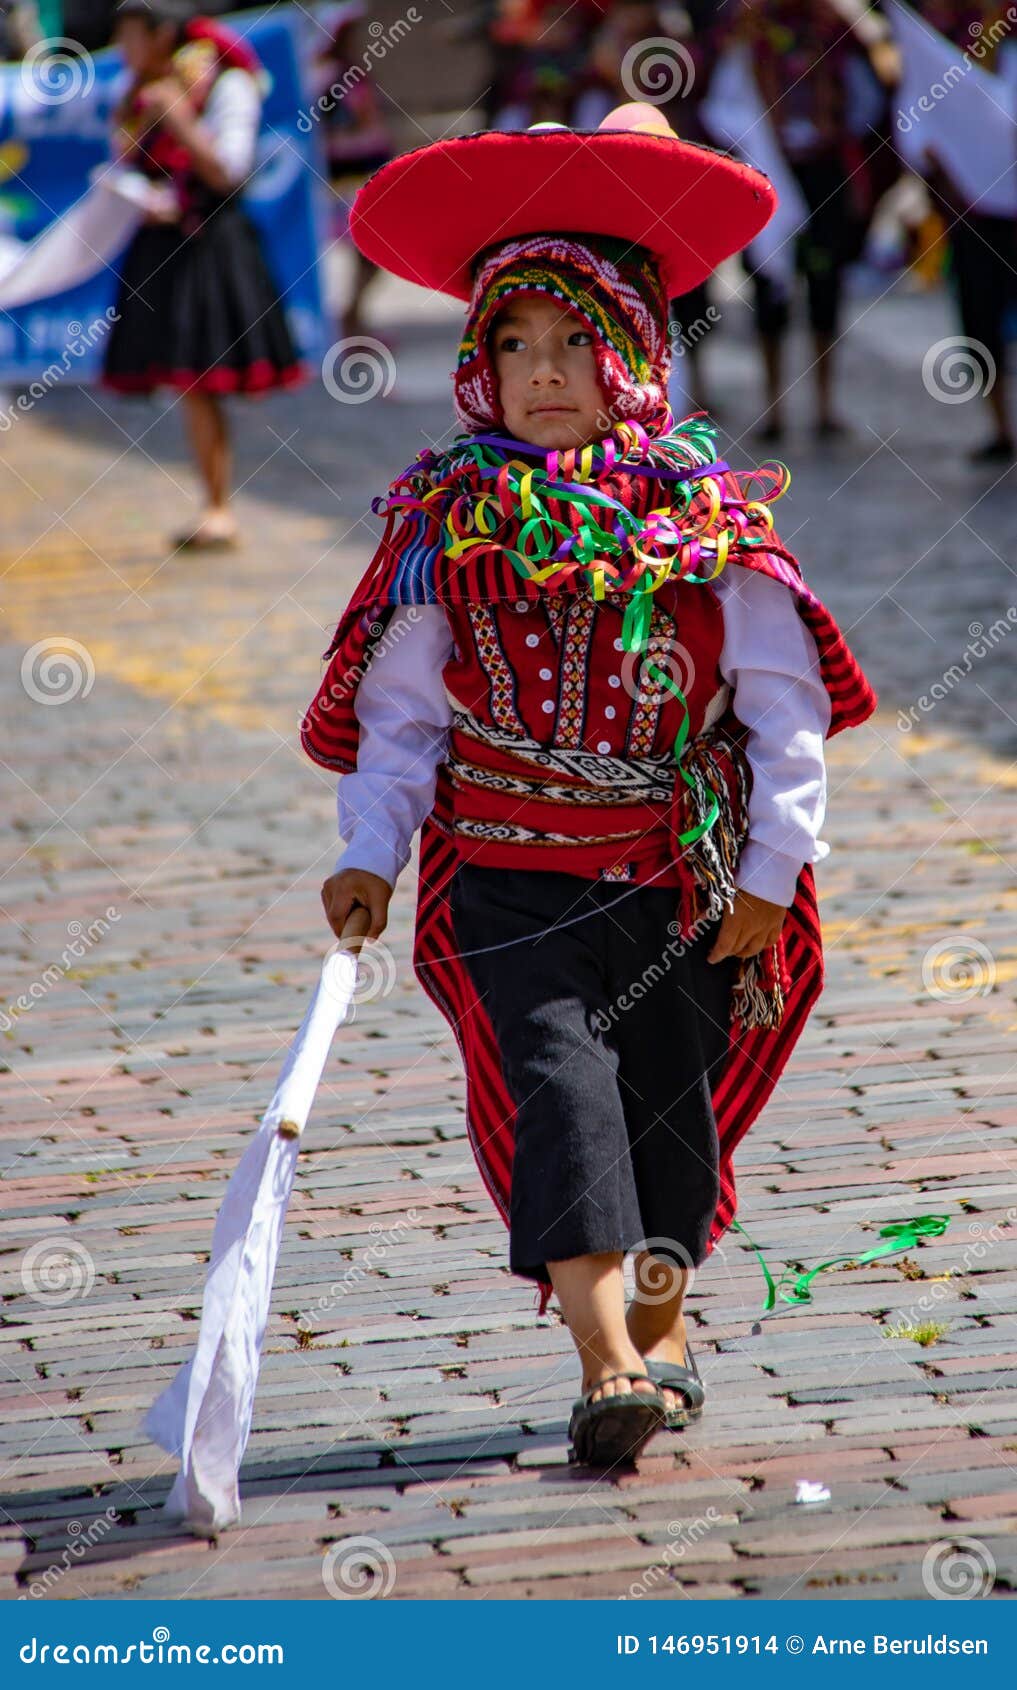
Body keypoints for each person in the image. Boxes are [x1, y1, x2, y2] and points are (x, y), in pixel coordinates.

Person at [299, 103, 878, 1467]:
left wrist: (771, 875)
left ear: (632, 358)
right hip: (509, 877)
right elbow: (400, 723)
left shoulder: (710, 527)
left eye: (574, 343)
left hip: (676, 876)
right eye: (512, 345)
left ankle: (664, 1328)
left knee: (672, 1106)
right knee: (557, 1086)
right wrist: (371, 852)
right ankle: (606, 1359)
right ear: (477, 367)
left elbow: (785, 720)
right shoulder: (446, 527)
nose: (540, 371)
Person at [102, 0, 306, 549]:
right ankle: (214, 502)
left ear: (162, 34)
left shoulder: (224, 82)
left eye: (132, 39)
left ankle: (220, 506)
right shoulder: (140, 90)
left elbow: (228, 172)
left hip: (210, 245)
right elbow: (127, 161)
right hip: (162, 244)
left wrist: (179, 117)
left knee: (201, 377)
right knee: (186, 380)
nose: (125, 53)